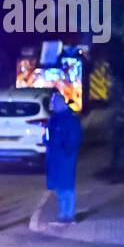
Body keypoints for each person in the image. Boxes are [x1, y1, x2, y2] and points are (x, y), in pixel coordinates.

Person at [45, 90, 82, 223]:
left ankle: (69, 215)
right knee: (59, 187)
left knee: (67, 186)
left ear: (60, 104)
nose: (52, 106)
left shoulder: (70, 120)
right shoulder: (54, 119)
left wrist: (66, 149)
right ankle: (62, 214)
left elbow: (75, 138)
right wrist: (47, 141)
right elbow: (48, 135)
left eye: (54, 103)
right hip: (55, 157)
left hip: (66, 157)